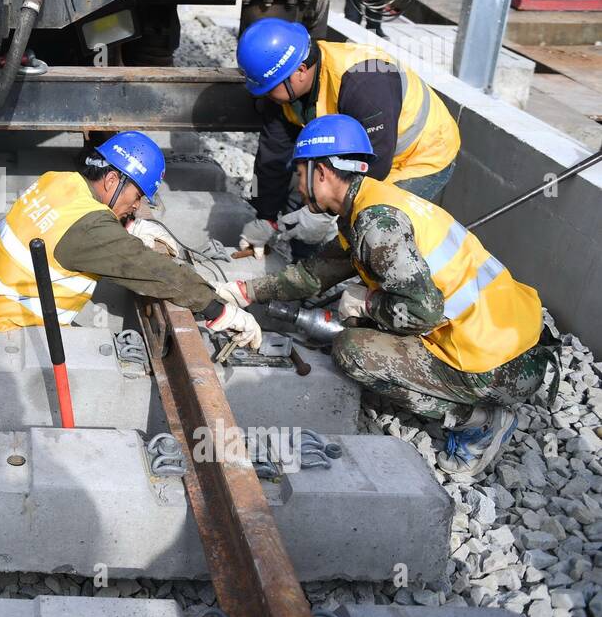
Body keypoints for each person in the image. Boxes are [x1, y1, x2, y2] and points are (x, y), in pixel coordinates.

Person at [215, 114, 554, 476]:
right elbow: (314, 275)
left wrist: (369, 304)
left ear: (322, 172)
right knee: (368, 323)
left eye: (300, 173)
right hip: (515, 339)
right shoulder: (370, 205)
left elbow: (422, 313)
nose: (298, 185)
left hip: (499, 365)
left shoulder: (378, 224)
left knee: (353, 350)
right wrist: (245, 290)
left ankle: (479, 419)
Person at [0, 131, 262, 350]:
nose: (137, 206)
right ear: (113, 180)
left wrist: (125, 228)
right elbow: (153, 271)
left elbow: (66, 231)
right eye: (137, 195)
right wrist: (216, 308)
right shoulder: (89, 228)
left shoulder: (59, 180)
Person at [235, 17, 461, 254]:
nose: (266, 95)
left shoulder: (365, 82)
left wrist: (323, 213)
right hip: (363, 149)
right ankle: (303, 277)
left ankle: (374, 286)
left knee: (373, 228)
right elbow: (272, 159)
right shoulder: (283, 90)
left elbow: (373, 169)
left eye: (268, 87)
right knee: (305, 191)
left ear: (300, 71)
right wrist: (266, 216)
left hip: (421, 155)